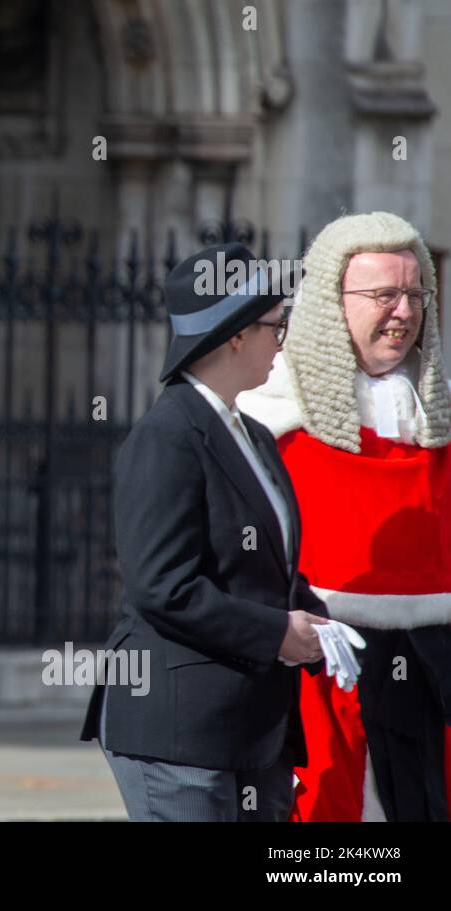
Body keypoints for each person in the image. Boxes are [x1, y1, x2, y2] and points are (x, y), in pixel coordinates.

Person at [80, 242, 360, 821]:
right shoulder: (168, 435)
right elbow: (163, 587)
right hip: (180, 728)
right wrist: (277, 633)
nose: (281, 347)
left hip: (253, 729)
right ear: (235, 334)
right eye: (275, 328)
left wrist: (320, 626)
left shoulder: (251, 433)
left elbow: (265, 569)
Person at [239, 211, 451, 821]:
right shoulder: (268, 418)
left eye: (415, 295)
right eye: (385, 294)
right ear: (332, 303)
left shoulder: (435, 418)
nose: (405, 312)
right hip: (318, 670)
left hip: (430, 670)